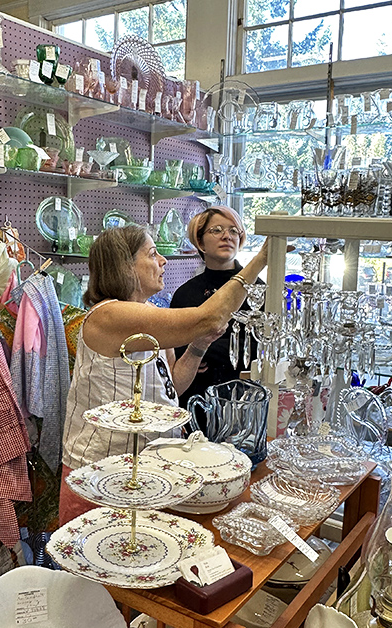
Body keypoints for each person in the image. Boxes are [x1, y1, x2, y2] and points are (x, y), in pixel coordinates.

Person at [60, 223, 269, 523]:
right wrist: (261, 259)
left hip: (147, 471)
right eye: (153, 253)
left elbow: (174, 386)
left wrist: (197, 346)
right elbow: (210, 317)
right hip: (103, 475)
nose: (163, 261)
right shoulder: (108, 315)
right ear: (125, 266)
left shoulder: (149, 312)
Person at [170, 206, 258, 407]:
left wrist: (200, 348)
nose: (227, 236)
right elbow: (174, 342)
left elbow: (257, 346)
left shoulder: (257, 291)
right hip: (195, 401)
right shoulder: (185, 293)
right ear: (200, 242)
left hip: (243, 400)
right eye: (217, 230)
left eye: (234, 230)